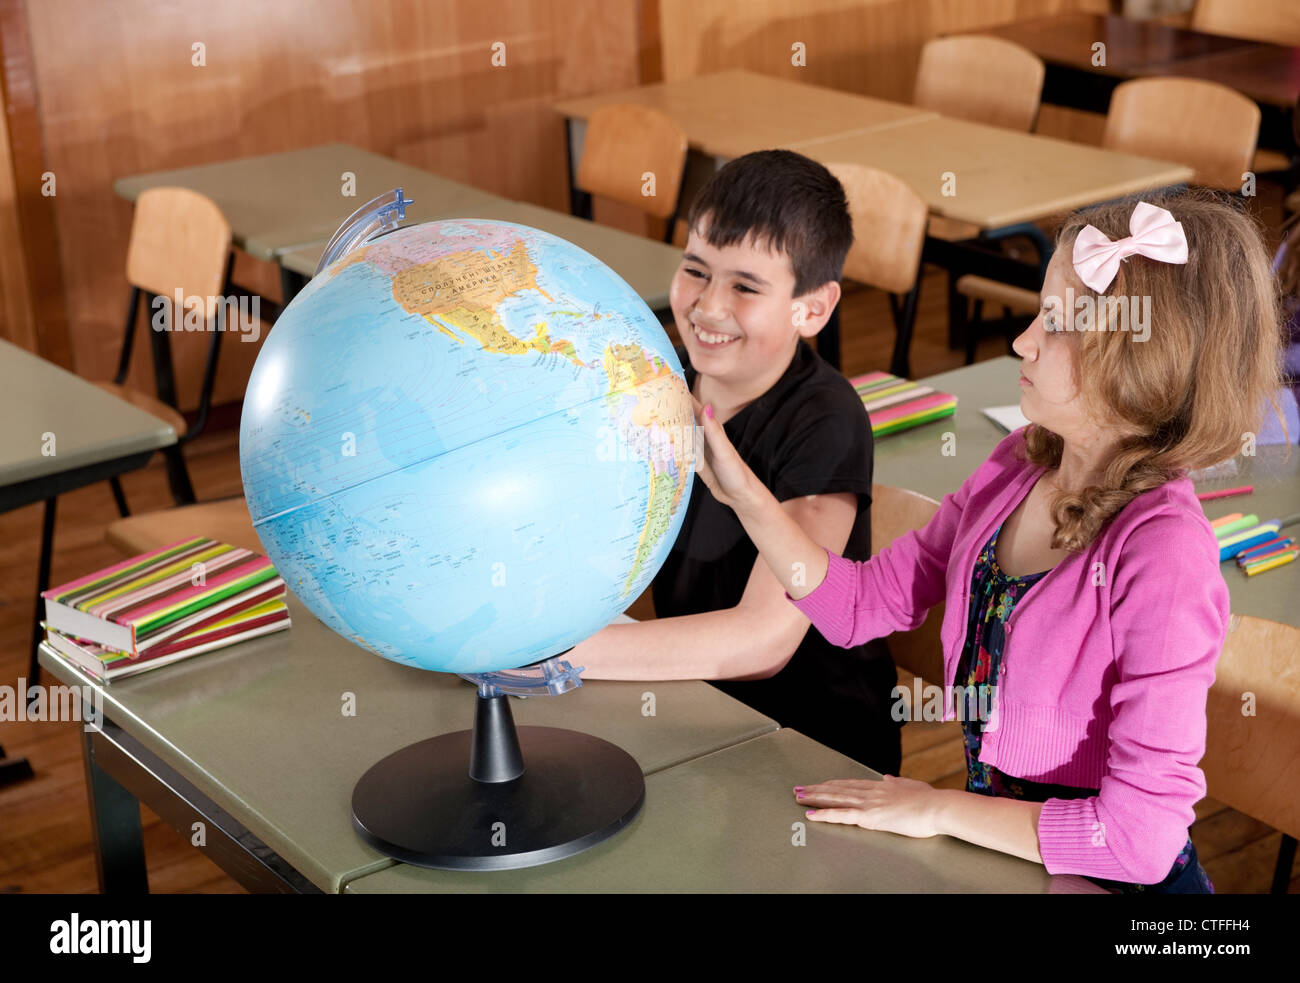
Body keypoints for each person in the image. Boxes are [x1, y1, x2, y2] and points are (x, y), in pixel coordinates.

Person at [691, 189, 1286, 892]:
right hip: (1000, 856)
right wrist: (745, 492)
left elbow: (1139, 841)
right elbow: (858, 606)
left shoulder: (1163, 554)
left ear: (1143, 358)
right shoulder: (1017, 464)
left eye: (1058, 324)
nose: (1022, 340)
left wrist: (941, 805)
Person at [571, 149, 903, 776]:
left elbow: (763, 640)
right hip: (697, 711)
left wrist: (563, 655)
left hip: (815, 747)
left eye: (745, 286)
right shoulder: (659, 373)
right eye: (696, 271)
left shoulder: (825, 420)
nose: (708, 307)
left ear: (813, 309)